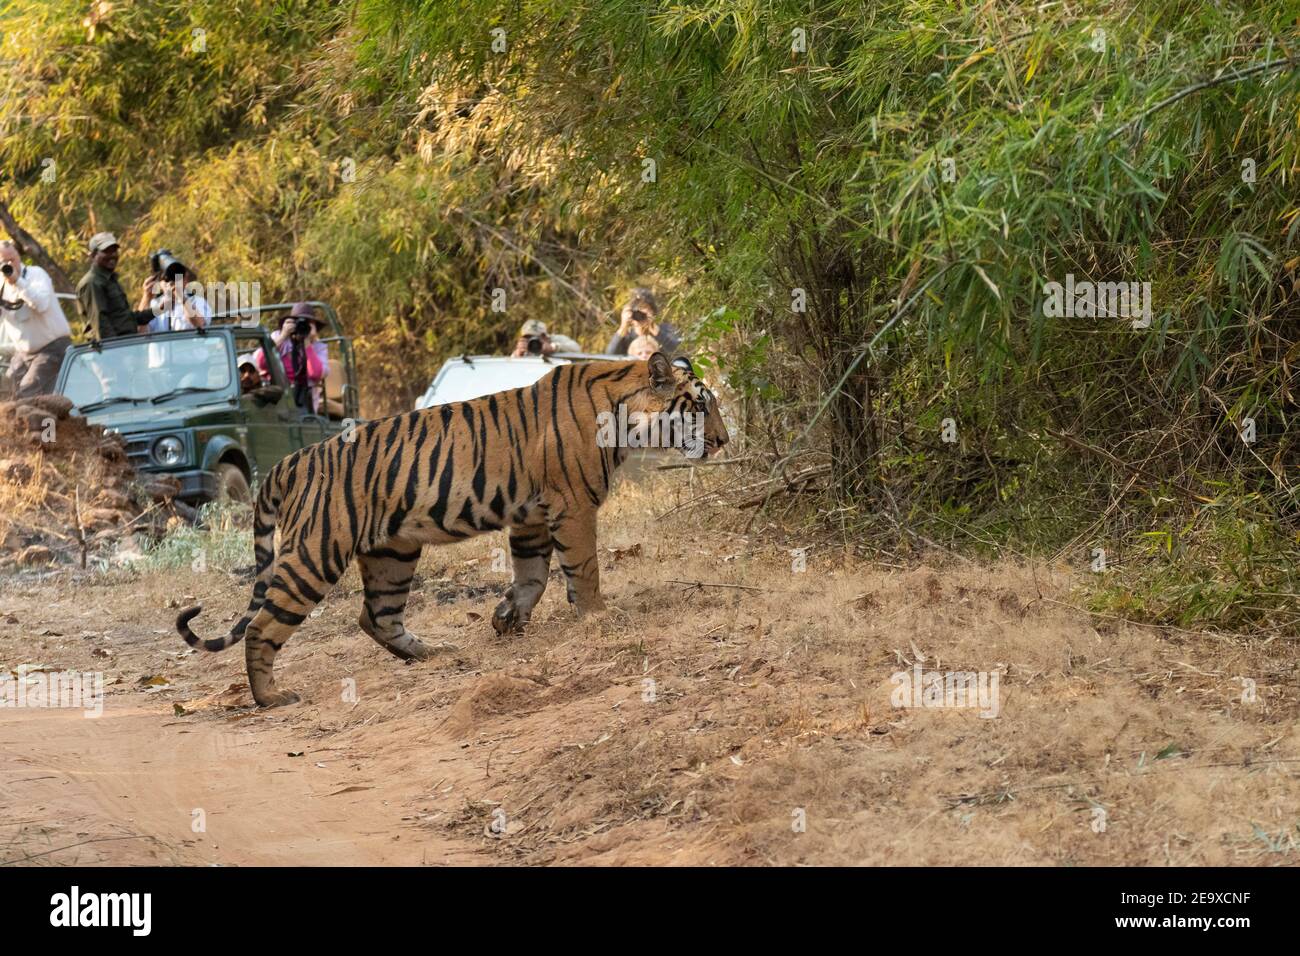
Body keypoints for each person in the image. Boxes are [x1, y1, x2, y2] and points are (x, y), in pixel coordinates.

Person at [0, 240, 72, 398]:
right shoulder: (1, 286)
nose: (9, 265)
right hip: (24, 353)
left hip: (52, 348)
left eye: (12, 259)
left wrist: (17, 282)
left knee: (27, 391)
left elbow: (42, 304)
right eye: (3, 262)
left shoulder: (36, 274)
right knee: (5, 388)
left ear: (18, 256)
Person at [76, 232, 155, 340]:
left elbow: (128, 319)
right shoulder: (92, 283)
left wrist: (163, 308)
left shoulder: (110, 279)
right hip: (114, 350)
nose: (112, 255)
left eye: (114, 250)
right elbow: (102, 327)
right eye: (106, 251)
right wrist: (118, 353)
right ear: (93, 255)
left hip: (124, 346)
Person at [255, 302, 329, 412]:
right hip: (276, 396)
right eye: (298, 322)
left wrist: (307, 343)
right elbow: (260, 363)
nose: (301, 326)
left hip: (303, 401)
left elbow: (315, 374)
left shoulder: (318, 347)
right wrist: (283, 336)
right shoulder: (278, 338)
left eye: (307, 323)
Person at [140, 251, 210, 332]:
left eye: (179, 275)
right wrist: (146, 297)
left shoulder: (198, 302)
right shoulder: (154, 304)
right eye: (168, 277)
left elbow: (199, 324)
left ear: (186, 280)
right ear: (161, 281)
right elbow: (140, 331)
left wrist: (181, 297)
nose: (174, 280)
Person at [606, 288, 680, 356]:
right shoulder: (626, 336)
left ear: (652, 311)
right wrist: (623, 328)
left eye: (643, 308)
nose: (638, 312)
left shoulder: (666, 330)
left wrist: (656, 331)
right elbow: (610, 356)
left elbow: (678, 353)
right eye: (634, 309)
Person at [511, 318, 581, 357]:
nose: (532, 341)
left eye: (535, 337)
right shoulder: (526, 347)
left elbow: (577, 348)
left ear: (544, 336)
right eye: (527, 337)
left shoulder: (555, 339)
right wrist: (517, 355)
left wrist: (554, 347)